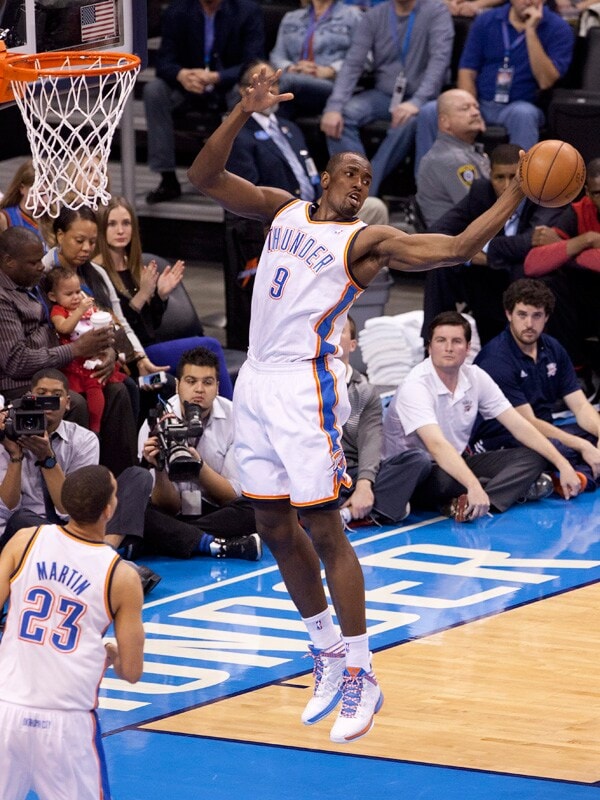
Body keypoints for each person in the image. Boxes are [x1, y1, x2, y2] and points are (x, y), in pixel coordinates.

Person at [186, 65, 538, 743]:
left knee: (324, 527)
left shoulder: (365, 242)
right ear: (324, 177)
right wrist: (240, 111)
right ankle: (323, 650)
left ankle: (360, 669)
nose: (359, 183)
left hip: (304, 386)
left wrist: (515, 192)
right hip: (255, 379)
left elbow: (457, 248)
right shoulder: (282, 207)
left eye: (368, 179)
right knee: (271, 522)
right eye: (350, 173)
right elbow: (205, 177)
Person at [0, 464, 145, 800]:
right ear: (108, 510)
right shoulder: (121, 576)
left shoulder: (25, 540)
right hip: (66, 723)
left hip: (6, 708)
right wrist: (111, 653)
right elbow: (132, 672)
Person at [224, 60, 391, 350]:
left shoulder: (289, 127)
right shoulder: (240, 132)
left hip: (314, 208)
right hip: (280, 217)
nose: (270, 90)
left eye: (274, 84)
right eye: (261, 84)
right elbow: (247, 193)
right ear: (244, 91)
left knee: (374, 207)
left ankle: (352, 284)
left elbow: (313, 173)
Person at [382, 311, 582, 520]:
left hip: (457, 460)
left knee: (534, 457)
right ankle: (498, 491)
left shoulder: (476, 376)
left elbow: (519, 425)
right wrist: (472, 485)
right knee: (448, 479)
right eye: (441, 341)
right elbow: (436, 446)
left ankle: (476, 502)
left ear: (468, 348)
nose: (448, 348)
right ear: (429, 347)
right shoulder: (415, 385)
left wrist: (562, 464)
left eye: (456, 341)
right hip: (416, 473)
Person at [0, 227, 137, 477]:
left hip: (60, 366)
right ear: (9, 262)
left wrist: (106, 351)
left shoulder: (36, 281)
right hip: (22, 385)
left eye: (41, 259)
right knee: (73, 403)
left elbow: (88, 317)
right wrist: (75, 349)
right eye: (33, 262)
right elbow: (16, 362)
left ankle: (119, 482)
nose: (41, 267)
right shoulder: (2, 298)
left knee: (121, 389)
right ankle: (75, 488)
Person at [424, 143, 563, 344]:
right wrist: (468, 254)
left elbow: (534, 242)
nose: (507, 185)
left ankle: (527, 347)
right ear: (490, 175)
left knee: (523, 268)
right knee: (440, 265)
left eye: (514, 177)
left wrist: (479, 249)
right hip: (486, 281)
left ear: (527, 175)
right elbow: (438, 230)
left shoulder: (545, 195)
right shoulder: (481, 192)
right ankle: (434, 341)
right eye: (499, 177)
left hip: (524, 278)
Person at [471, 279, 600, 491]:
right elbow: (527, 423)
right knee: (563, 450)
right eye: (522, 315)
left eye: (537, 315)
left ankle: (562, 478)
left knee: (590, 434)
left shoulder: (553, 348)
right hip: (502, 439)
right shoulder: (496, 360)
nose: (529, 324)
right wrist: (583, 445)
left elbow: (580, 406)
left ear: (546, 317)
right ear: (509, 314)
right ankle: (574, 476)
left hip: (544, 430)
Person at [136, 346, 261, 561]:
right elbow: (166, 506)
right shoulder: (155, 422)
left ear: (218, 387)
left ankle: (173, 539)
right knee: (138, 511)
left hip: (215, 511)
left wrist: (199, 466)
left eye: (207, 382)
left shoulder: (234, 418)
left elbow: (230, 496)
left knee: (254, 509)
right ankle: (209, 543)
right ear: (178, 385)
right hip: (172, 512)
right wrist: (160, 470)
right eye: (191, 381)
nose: (199, 389)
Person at [415, 0, 575, 166]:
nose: (528, 1)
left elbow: (545, 81)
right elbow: (467, 71)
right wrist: (469, 107)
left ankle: (520, 181)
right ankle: (426, 180)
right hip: (480, 102)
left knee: (524, 114)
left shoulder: (559, 28)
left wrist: (531, 31)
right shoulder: (487, 20)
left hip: (518, 106)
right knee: (430, 111)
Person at [320, 0, 454, 197]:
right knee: (342, 116)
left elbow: (439, 62)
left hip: (422, 98)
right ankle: (355, 182)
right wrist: (334, 106)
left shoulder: (436, 12)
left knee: (411, 119)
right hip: (384, 94)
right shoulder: (374, 16)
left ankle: (363, 188)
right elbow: (353, 64)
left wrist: (417, 102)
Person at [143, 0, 266, 204]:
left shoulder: (247, 10)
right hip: (188, 88)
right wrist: (182, 74)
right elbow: (164, 62)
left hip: (227, 86)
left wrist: (217, 77)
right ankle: (167, 177)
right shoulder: (176, 10)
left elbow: (254, 62)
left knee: (245, 94)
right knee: (154, 91)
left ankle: (240, 175)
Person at [338, 315, 424, 523]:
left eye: (340, 330)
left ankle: (348, 513)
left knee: (417, 460)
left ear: (352, 344)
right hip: (315, 470)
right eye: (327, 330)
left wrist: (364, 484)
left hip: (350, 472)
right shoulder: (303, 385)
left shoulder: (364, 391)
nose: (332, 336)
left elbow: (370, 441)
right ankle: (377, 510)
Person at [523, 157, 600, 371]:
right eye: (598, 193)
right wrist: (586, 240)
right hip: (586, 299)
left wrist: (566, 249)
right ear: (587, 193)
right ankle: (572, 371)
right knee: (549, 283)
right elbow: (532, 264)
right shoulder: (578, 211)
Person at [94, 196, 186, 348]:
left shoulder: (134, 267)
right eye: (112, 224)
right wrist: (143, 294)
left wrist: (160, 296)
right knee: (210, 345)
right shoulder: (96, 272)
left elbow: (151, 326)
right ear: (101, 228)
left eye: (126, 223)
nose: (120, 231)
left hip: (149, 346)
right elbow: (117, 328)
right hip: (129, 353)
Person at [46, 267, 128, 434]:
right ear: (53, 296)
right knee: (93, 385)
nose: (76, 297)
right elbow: (64, 328)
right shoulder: (59, 311)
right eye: (69, 294)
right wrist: (80, 311)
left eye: (78, 291)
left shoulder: (86, 307)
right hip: (76, 361)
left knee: (123, 382)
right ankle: (94, 427)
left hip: (95, 353)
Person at [270, 0, 363, 119]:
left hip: (331, 83)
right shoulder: (291, 18)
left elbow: (364, 57)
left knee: (284, 84)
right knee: (284, 101)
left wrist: (331, 70)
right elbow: (277, 55)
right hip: (294, 78)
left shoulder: (353, 16)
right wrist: (291, 67)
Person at [415, 88, 490, 227]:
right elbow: (479, 211)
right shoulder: (452, 159)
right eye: (465, 108)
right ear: (445, 122)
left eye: (476, 107)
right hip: (457, 237)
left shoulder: (467, 151)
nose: (475, 112)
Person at [0, 158, 49, 246]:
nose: (45, 201)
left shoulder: (53, 219)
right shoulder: (5, 218)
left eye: (49, 194)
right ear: (22, 188)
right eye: (40, 194)